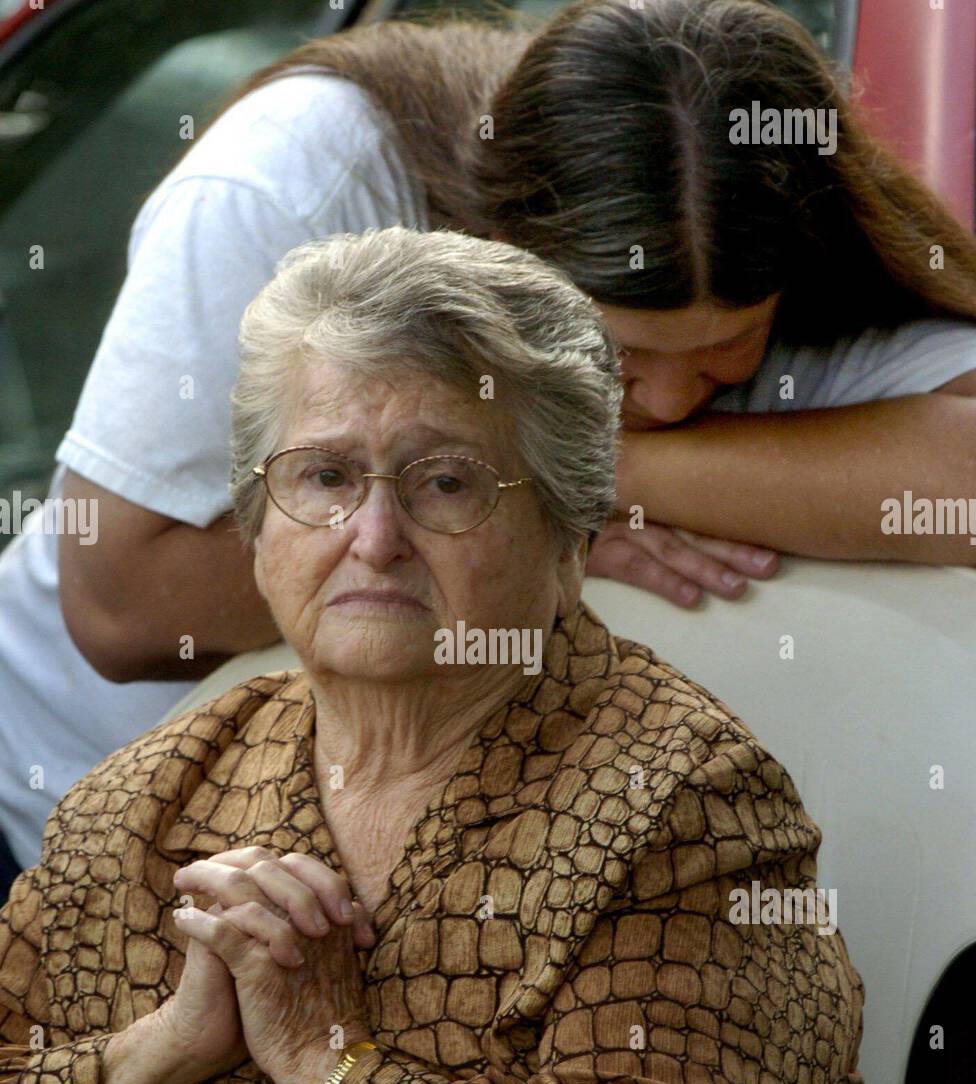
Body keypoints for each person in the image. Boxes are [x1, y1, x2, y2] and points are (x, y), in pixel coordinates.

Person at [0, 228, 916, 1084]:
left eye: (444, 483)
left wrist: (327, 1060)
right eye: (326, 476)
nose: (374, 536)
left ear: (572, 537)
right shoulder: (144, 805)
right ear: (258, 530)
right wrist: (157, 1052)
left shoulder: (686, 807)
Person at [1, 0, 974, 884]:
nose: (675, 399)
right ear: (500, 245)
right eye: (616, 356)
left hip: (358, 881)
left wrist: (586, 479)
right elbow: (120, 602)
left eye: (728, 355)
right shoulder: (292, 181)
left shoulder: (758, 256)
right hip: (57, 816)